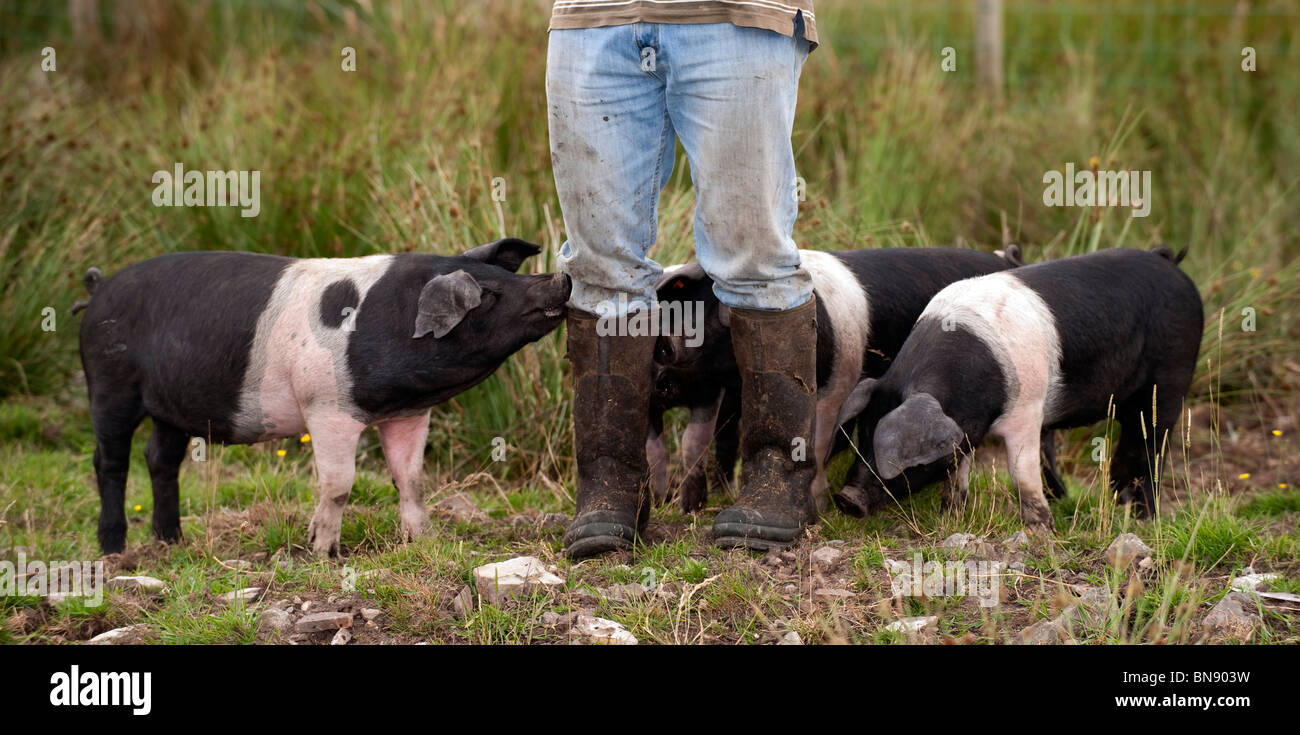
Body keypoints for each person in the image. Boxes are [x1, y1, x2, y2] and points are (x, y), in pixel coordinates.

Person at [546, 1, 819, 558]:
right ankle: (609, 485)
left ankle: (779, 478)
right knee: (597, 264)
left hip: (736, 15)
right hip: (594, 16)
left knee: (754, 252)